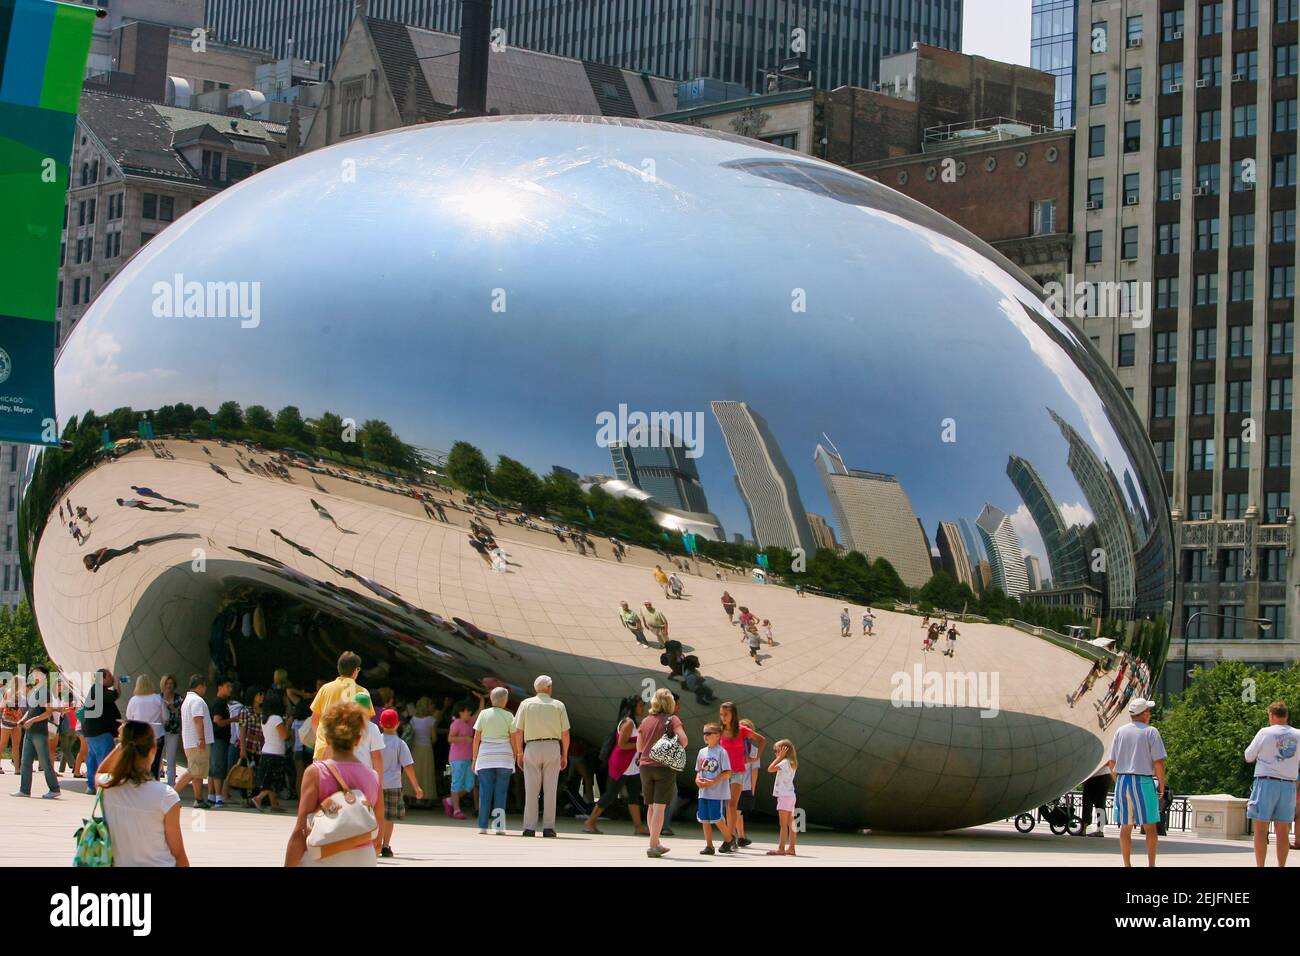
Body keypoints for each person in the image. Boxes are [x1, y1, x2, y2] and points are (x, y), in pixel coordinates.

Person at [285, 701, 384, 867]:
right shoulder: (373, 777)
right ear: (359, 739)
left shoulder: (315, 772)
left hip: (325, 854)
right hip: (363, 857)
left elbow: (300, 831)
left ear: (327, 736)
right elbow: (378, 832)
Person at [94, 721, 189, 867]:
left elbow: (100, 772)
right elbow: (178, 853)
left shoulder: (108, 786)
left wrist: (122, 742)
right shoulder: (166, 796)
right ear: (153, 749)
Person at [1107, 697, 1167, 867]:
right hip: (1143, 781)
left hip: (1123, 780)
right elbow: (1158, 762)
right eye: (1148, 711)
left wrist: (1118, 781)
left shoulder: (1120, 731)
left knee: (1125, 826)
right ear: (1143, 714)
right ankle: (1151, 865)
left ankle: (1127, 864)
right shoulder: (1151, 732)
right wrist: (1161, 784)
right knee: (1150, 827)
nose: (1149, 713)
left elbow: (1111, 761)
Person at [512, 675, 570, 838]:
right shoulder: (558, 705)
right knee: (550, 789)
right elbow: (565, 733)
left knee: (531, 789)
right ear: (549, 687)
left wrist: (519, 752)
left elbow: (518, 731)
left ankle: (529, 827)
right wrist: (564, 754)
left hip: (531, 746)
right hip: (552, 746)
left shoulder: (525, 704)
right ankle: (548, 827)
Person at [1244, 699, 1300, 868]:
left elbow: (1248, 756)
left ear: (1271, 715)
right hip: (1289, 785)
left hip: (1266, 783)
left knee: (1261, 829)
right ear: (1286, 716)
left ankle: (1260, 866)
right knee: (1283, 832)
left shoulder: (1265, 732)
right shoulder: (1298, 734)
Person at [584, 695, 648, 835]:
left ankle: (638, 827)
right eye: (640, 705)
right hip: (621, 765)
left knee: (634, 795)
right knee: (610, 795)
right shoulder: (628, 723)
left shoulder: (631, 722)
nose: (642, 708)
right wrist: (640, 745)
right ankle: (590, 821)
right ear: (633, 707)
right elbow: (622, 745)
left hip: (632, 766)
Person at [636, 687, 686, 858]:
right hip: (664, 767)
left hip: (645, 766)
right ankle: (652, 845)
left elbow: (639, 747)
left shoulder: (645, 721)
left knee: (650, 806)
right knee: (660, 807)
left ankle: (656, 842)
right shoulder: (672, 720)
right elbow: (684, 740)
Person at [309, 651, 374, 760]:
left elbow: (314, 720)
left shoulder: (325, 689)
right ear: (356, 670)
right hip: (350, 754)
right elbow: (366, 723)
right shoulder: (363, 692)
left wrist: (322, 739)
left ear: (339, 668)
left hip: (323, 751)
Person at [718, 701, 764, 851]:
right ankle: (730, 838)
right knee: (726, 805)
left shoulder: (741, 730)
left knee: (732, 805)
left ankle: (729, 838)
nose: (723, 717)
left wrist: (754, 758)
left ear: (733, 715)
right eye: (721, 714)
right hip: (723, 772)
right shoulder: (719, 730)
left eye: (726, 714)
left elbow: (761, 740)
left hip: (738, 771)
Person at [473, 686, 519, 834]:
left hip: (485, 756)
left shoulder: (483, 714)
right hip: (504, 757)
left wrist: (474, 757)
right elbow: (513, 738)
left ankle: (482, 826)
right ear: (505, 700)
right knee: (501, 792)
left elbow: (476, 737)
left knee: (485, 792)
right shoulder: (509, 716)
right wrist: (516, 754)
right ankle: (499, 827)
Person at [11, 667, 60, 799]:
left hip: (39, 732)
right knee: (25, 762)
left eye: (35, 672)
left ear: (43, 675)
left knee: (45, 762)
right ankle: (24, 790)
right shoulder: (33, 691)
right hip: (29, 732)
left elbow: (48, 711)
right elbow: (30, 710)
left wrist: (32, 720)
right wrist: (22, 719)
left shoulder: (45, 691)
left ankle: (55, 789)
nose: (32, 675)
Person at [379, 708, 421, 857]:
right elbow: (407, 765)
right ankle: (385, 845)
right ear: (397, 724)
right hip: (393, 785)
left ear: (380, 724)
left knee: (375, 816)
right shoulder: (400, 743)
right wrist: (416, 786)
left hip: (375, 784)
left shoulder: (375, 740)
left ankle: (374, 844)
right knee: (389, 818)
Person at [174, 675, 214, 808]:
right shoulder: (197, 701)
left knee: (198, 772)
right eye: (204, 686)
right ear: (200, 685)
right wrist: (201, 738)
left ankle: (198, 798)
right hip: (197, 742)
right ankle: (172, 795)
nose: (206, 688)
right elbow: (198, 720)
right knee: (193, 770)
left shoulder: (187, 700)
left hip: (190, 742)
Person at [81, 669, 122, 794]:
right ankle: (102, 785)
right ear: (102, 678)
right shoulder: (98, 689)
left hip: (92, 732)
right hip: (100, 732)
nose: (111, 679)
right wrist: (117, 686)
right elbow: (113, 696)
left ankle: (92, 785)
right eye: (109, 676)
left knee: (93, 758)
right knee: (104, 760)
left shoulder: (97, 690)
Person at [695, 723, 733, 855]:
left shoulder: (722, 752)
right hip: (703, 792)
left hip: (717, 793)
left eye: (708, 733)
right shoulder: (702, 752)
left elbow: (727, 771)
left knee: (717, 818)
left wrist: (713, 782)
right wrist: (697, 779)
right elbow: (699, 770)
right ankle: (709, 846)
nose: (705, 736)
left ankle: (729, 839)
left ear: (718, 736)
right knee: (704, 819)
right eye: (704, 733)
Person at [251, 689, 290, 813]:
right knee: (274, 780)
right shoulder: (277, 719)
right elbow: (284, 736)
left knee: (269, 779)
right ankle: (258, 798)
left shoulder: (265, 718)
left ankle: (274, 804)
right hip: (276, 753)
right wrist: (288, 725)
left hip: (266, 750)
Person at [445, 696, 483, 819]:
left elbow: (479, 714)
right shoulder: (456, 723)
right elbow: (450, 738)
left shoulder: (469, 721)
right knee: (456, 784)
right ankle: (456, 810)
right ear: (461, 712)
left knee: (469, 785)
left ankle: (450, 800)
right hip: (457, 758)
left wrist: (482, 699)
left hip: (468, 758)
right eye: (467, 711)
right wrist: (465, 739)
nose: (469, 712)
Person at [124, 675, 166, 779]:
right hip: (156, 735)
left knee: (140, 762)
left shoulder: (133, 700)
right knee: (155, 764)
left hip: (139, 735)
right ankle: (154, 782)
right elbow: (166, 716)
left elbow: (129, 717)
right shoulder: (158, 698)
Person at [767, 738, 799, 856]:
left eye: (777, 751)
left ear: (784, 751)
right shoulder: (792, 762)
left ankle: (781, 848)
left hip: (784, 796)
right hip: (790, 795)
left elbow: (770, 769)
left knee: (783, 824)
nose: (775, 753)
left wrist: (779, 758)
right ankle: (791, 848)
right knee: (791, 823)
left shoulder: (784, 762)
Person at [208, 676, 236, 807]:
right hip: (219, 738)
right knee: (218, 767)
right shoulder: (219, 703)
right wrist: (233, 720)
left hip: (217, 738)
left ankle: (211, 796)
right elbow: (217, 721)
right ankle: (218, 797)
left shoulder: (220, 702)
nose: (230, 689)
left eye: (231, 687)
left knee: (213, 768)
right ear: (220, 687)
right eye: (227, 686)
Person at [407, 696, 439, 808]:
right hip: (427, 749)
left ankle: (412, 797)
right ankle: (425, 799)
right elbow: (434, 738)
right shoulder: (431, 720)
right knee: (426, 773)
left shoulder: (413, 719)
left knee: (415, 772)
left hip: (415, 749)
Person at [158, 675, 182, 785]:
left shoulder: (179, 699)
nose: (169, 685)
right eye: (167, 683)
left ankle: (171, 785)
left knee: (171, 759)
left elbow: (182, 714)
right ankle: (156, 783)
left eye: (171, 683)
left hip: (173, 731)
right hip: (159, 731)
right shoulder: (158, 698)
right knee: (157, 758)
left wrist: (174, 709)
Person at [1, 678, 23, 775]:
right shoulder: (9, 692)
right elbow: (2, 705)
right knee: (3, 744)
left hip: (17, 721)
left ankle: (17, 769)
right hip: (7, 720)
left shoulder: (21, 694)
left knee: (16, 745)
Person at [1078, 772, 1111, 838]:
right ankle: (1100, 831)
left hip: (1093, 775)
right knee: (1100, 803)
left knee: (1087, 801)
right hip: (1106, 776)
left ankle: (1083, 828)